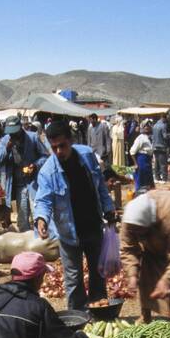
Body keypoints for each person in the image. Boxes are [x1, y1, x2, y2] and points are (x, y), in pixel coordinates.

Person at [33, 120, 116, 311]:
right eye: (54, 148)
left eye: (62, 146)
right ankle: (77, 316)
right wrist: (41, 219)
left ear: (70, 141)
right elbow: (43, 201)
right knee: (73, 278)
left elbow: (100, 186)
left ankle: (99, 310)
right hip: (69, 232)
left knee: (98, 272)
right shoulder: (47, 172)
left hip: (93, 225)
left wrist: (108, 209)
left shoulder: (87, 155)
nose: (59, 152)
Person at [119, 188, 170, 328]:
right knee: (147, 266)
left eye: (141, 231)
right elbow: (127, 248)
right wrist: (132, 274)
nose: (138, 234)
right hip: (156, 224)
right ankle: (145, 315)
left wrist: (167, 281)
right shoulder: (130, 220)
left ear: (150, 224)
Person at [0, 115, 45, 232]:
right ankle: (27, 242)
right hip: (18, 185)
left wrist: (35, 165)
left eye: (15, 133)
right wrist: (7, 149)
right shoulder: (5, 140)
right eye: (11, 133)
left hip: (34, 182)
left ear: (20, 128)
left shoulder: (33, 137)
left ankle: (40, 241)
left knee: (38, 214)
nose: (13, 136)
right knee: (22, 218)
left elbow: (45, 156)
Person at [129, 123, 155, 193]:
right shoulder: (140, 138)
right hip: (141, 160)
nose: (147, 127)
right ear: (142, 128)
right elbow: (132, 151)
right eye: (145, 126)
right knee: (141, 179)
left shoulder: (149, 137)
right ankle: (139, 195)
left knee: (148, 180)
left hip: (148, 160)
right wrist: (135, 164)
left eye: (148, 126)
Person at [151, 115, 170, 182]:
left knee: (157, 163)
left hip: (155, 146)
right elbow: (164, 136)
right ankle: (164, 178)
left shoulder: (155, 125)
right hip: (161, 147)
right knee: (163, 163)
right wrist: (169, 135)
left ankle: (157, 177)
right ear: (164, 118)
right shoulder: (163, 125)